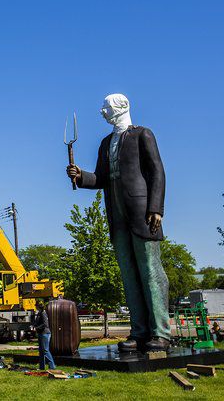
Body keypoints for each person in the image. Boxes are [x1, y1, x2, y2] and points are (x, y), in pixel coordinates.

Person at [67, 94, 171, 352]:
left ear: (122, 108)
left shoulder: (142, 134)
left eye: (107, 107)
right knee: (128, 274)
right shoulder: (105, 143)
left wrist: (156, 208)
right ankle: (139, 332)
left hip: (142, 213)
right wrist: (81, 176)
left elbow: (157, 171)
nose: (103, 111)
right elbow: (101, 178)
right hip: (116, 212)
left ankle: (160, 333)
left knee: (150, 272)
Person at [33, 301, 55, 370]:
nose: (35, 307)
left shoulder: (43, 313)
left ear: (38, 306)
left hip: (45, 333)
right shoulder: (39, 313)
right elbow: (38, 323)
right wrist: (33, 326)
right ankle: (42, 367)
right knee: (41, 351)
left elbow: (45, 324)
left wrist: (36, 328)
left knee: (45, 350)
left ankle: (52, 366)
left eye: (36, 306)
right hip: (40, 333)